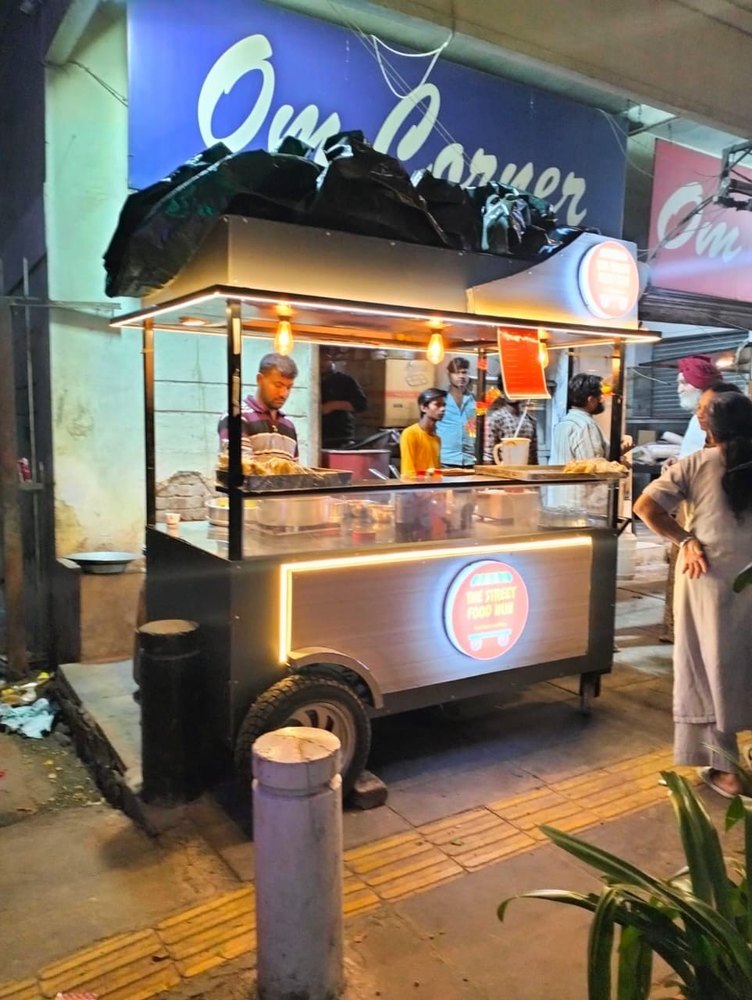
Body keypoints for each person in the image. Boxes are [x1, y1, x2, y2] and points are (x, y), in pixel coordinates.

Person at [634, 392, 752, 798]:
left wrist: (685, 539)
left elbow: (645, 507)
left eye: (703, 413)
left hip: (708, 576)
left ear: (711, 427)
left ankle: (727, 770)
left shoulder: (695, 465)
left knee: (707, 667)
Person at [660, 355, 724, 643]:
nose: (678, 388)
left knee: (692, 567)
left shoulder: (710, 419)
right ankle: (678, 628)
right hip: (689, 506)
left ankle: (685, 629)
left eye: (683, 382)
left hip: (701, 509)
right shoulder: (695, 419)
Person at [217, 352, 299, 457]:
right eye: (278, 385)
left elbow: (296, 471)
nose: (284, 393)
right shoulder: (236, 417)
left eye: (289, 387)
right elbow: (243, 469)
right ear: (259, 380)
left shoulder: (289, 426)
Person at [549, 373, 607, 465]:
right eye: (600, 398)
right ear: (591, 400)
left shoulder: (564, 422)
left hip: (559, 478)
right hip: (578, 479)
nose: (602, 401)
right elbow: (592, 466)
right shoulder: (586, 425)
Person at [483, 376, 538, 464]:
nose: (513, 391)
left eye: (516, 388)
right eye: (508, 388)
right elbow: (488, 456)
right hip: (503, 473)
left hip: (526, 473)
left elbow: (533, 455)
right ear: (502, 393)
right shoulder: (496, 419)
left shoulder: (530, 420)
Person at [320, 352, 368, 448]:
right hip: (314, 436)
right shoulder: (308, 379)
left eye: (325, 358)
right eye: (320, 358)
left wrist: (333, 405)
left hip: (340, 437)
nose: (322, 362)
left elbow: (361, 404)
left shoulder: (344, 380)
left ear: (332, 359)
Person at [400, 387, 447, 477]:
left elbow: (436, 472)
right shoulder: (410, 434)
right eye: (437, 405)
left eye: (444, 405)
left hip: (432, 489)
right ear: (423, 408)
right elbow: (408, 473)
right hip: (417, 488)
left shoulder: (437, 439)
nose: (443, 409)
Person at [440, 357, 476, 468]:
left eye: (464, 372)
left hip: (469, 460)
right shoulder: (440, 399)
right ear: (449, 374)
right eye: (457, 373)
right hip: (445, 460)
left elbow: (475, 427)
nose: (461, 376)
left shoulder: (474, 400)